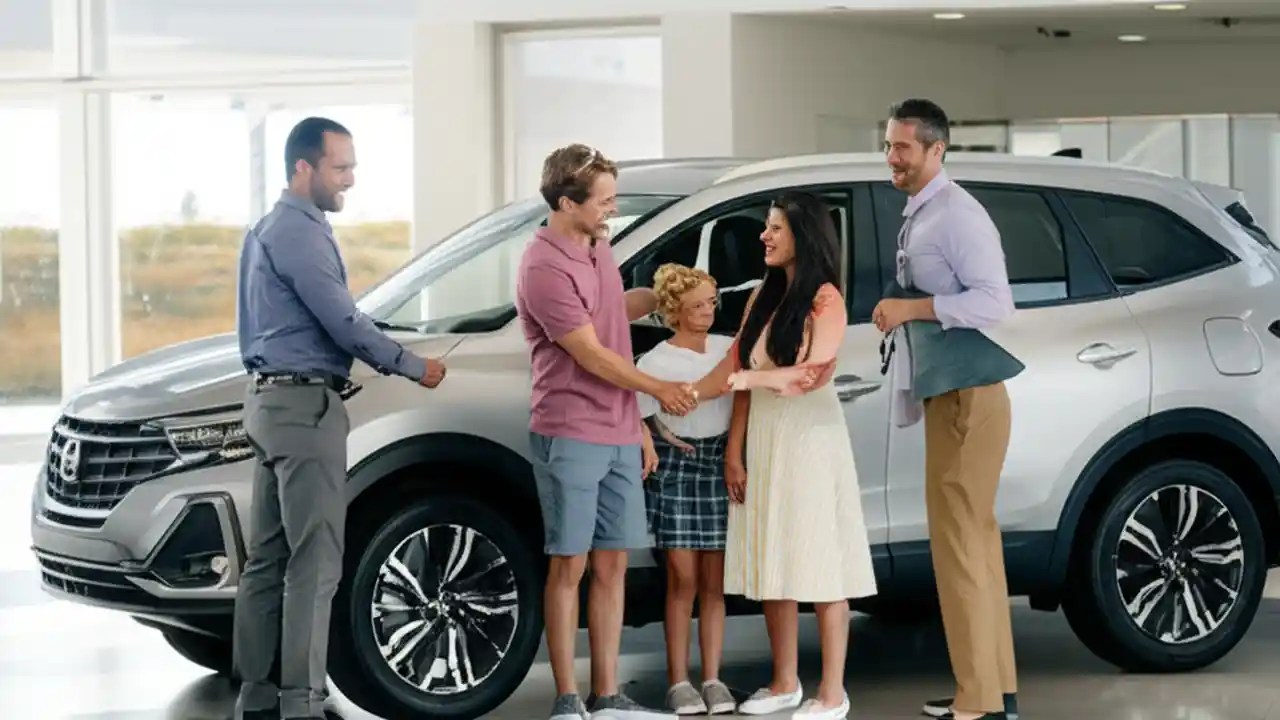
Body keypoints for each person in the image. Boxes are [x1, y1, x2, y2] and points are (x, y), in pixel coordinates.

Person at [232, 116, 447, 720]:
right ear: (304, 167)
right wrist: (412, 365)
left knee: (268, 561)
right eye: (340, 167)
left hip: (269, 403)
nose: (349, 179)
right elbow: (343, 321)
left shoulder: (264, 229)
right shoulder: (301, 232)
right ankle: (301, 704)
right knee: (315, 562)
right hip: (304, 407)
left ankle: (256, 699)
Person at [514, 143, 699, 720]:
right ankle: (568, 699)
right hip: (570, 430)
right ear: (566, 202)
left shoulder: (596, 246)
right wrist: (658, 389)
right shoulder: (541, 265)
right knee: (569, 564)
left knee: (614, 564)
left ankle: (608, 695)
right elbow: (591, 354)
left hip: (619, 431)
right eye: (604, 201)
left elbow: (611, 313)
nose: (611, 210)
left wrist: (665, 298)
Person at [873, 98, 1020, 720]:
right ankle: (995, 691)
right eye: (888, 145)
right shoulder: (924, 214)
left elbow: (995, 304)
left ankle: (977, 700)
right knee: (973, 545)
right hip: (950, 392)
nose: (892, 158)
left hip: (970, 397)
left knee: (960, 546)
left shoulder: (959, 216)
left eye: (904, 147)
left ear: (937, 150)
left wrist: (911, 309)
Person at [720, 191, 878, 720]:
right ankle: (784, 682)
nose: (764, 236)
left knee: (820, 559)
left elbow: (812, 375)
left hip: (810, 440)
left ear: (802, 236)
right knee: (775, 558)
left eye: (775, 228)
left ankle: (833, 692)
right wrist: (733, 450)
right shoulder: (759, 299)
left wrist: (747, 376)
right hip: (765, 437)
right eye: (765, 228)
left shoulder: (825, 299)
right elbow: (736, 378)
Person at [634, 264, 738, 716]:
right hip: (677, 465)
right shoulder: (655, 361)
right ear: (674, 310)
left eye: (711, 303)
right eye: (696, 305)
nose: (706, 312)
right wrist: (649, 438)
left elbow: (741, 401)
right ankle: (679, 681)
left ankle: (713, 677)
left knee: (715, 583)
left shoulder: (727, 348)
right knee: (683, 579)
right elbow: (635, 408)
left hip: (718, 461)